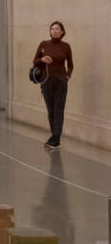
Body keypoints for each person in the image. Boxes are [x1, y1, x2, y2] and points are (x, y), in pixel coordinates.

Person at [33, 20, 73, 149]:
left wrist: (67, 75)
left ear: (62, 32)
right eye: (52, 28)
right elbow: (35, 61)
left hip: (61, 81)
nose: (54, 31)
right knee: (51, 110)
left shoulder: (66, 46)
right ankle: (54, 136)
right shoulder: (43, 44)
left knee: (59, 109)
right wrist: (42, 60)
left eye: (57, 29)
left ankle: (56, 138)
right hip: (46, 81)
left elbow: (71, 64)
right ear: (50, 31)